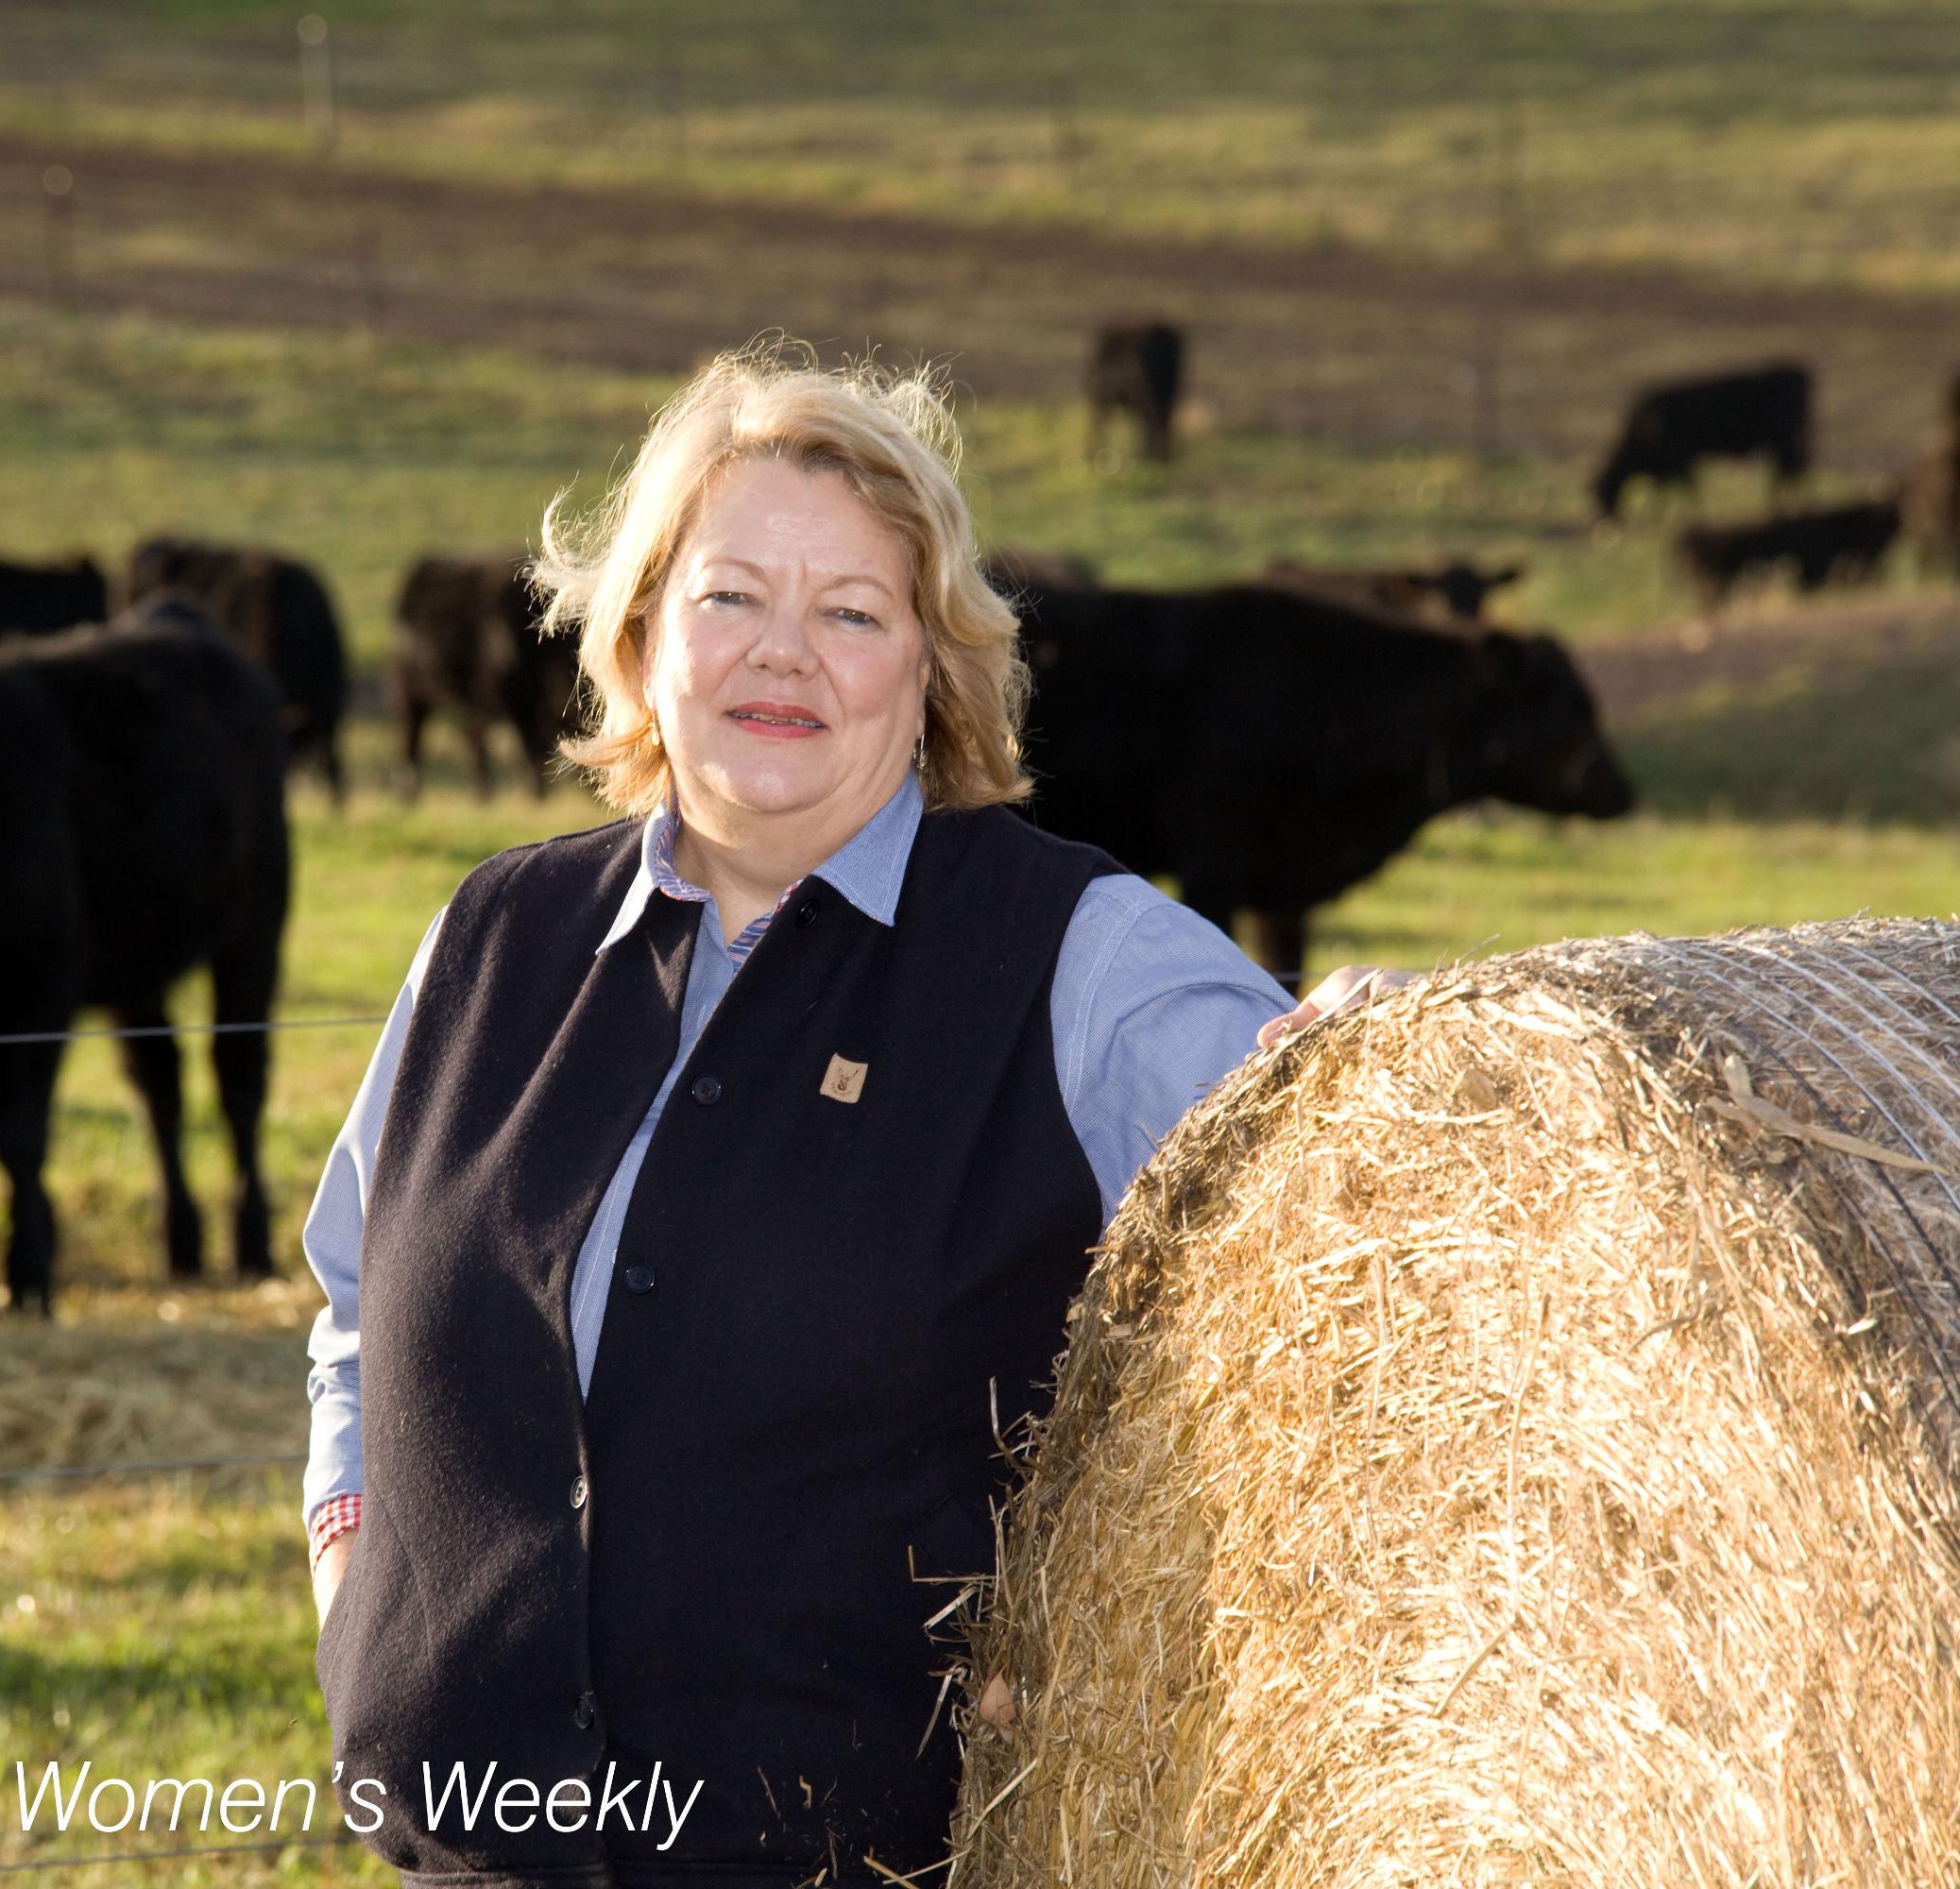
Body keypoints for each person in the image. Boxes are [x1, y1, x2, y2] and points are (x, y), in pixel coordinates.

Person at [301, 348, 1393, 1886]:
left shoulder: (1084, 966)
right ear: (642, 634)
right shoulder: (490, 940)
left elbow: (1350, 1315)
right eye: (731, 596)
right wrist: (353, 1571)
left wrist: (1388, 1100)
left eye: (854, 614)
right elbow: (356, 1302)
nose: (783, 657)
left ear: (936, 668)